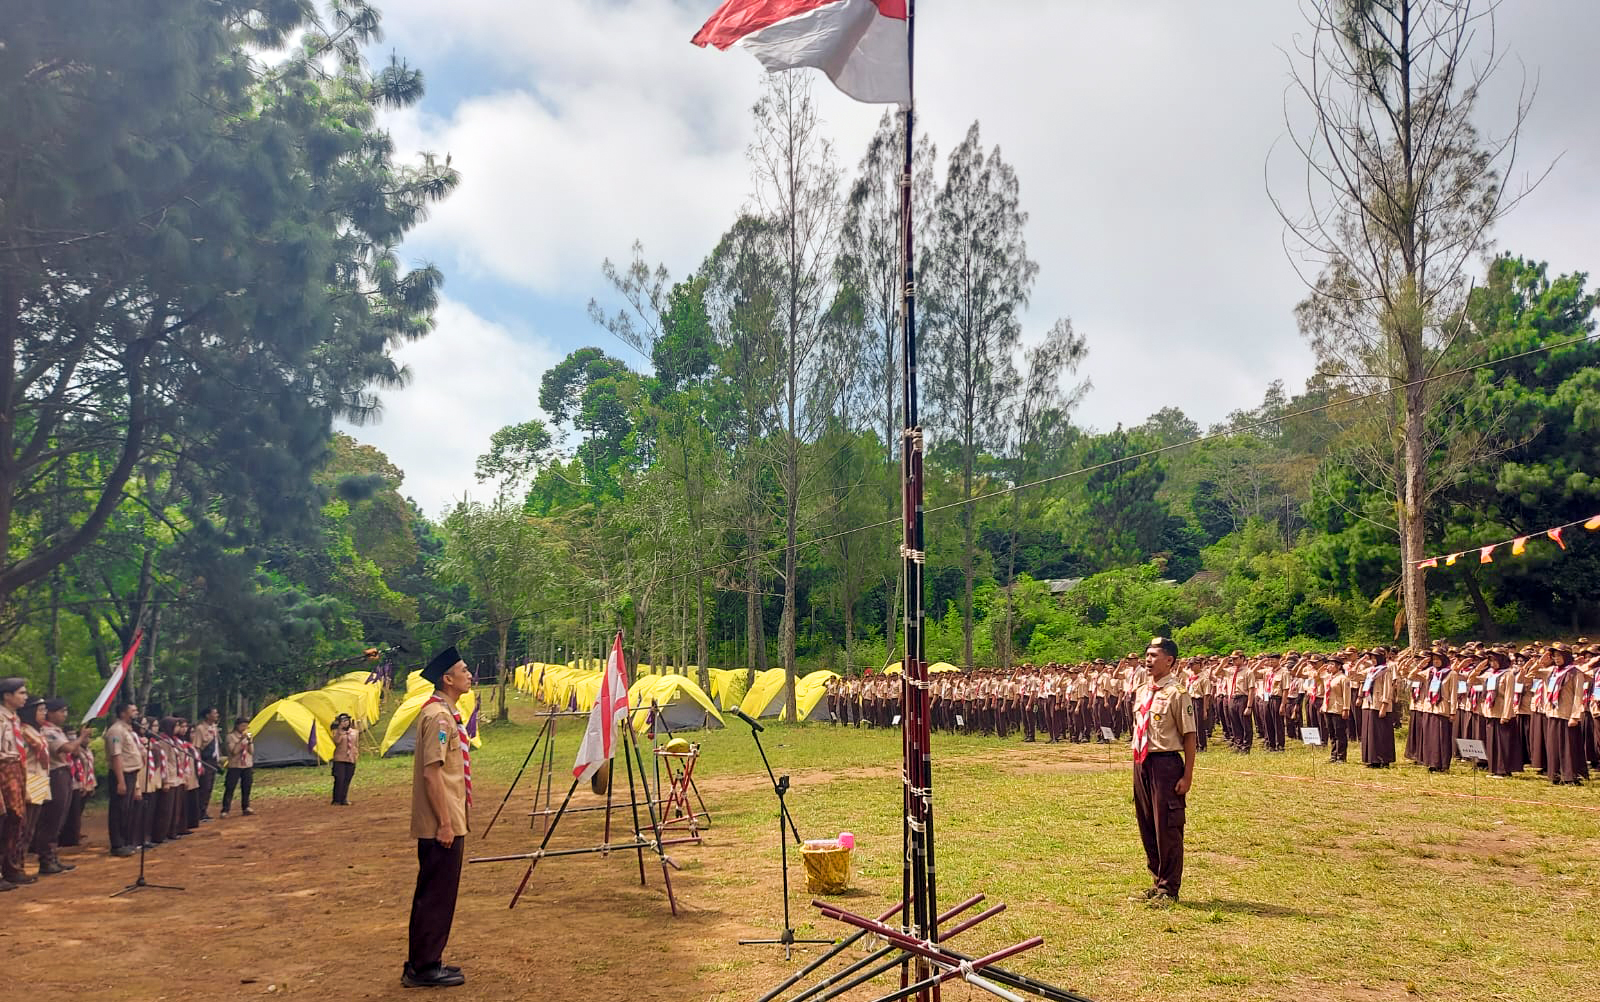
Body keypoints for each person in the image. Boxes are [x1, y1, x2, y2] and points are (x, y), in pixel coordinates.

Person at [404, 646, 473, 988]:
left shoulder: (445, 714)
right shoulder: (439, 718)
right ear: (448, 679)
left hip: (449, 818)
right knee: (435, 896)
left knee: (438, 895)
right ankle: (424, 967)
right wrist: (445, 823)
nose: (469, 675)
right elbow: (432, 774)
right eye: (464, 670)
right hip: (440, 824)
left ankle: (427, 960)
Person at [1129, 637, 1197, 908]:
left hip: (1166, 763)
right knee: (1147, 824)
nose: (1148, 660)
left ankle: (1169, 888)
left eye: (1154, 655)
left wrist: (1187, 775)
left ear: (1169, 660)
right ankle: (1157, 881)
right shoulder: (1142, 691)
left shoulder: (1178, 693)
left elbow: (1189, 735)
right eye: (1147, 655)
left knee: (1167, 826)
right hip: (1142, 761)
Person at [33, 699, 90, 873]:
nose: (64, 715)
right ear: (50, 713)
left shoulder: (58, 731)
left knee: (60, 818)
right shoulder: (47, 731)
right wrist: (81, 737)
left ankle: (52, 856)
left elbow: (76, 751)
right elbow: (69, 749)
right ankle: (46, 859)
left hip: (64, 772)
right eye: (61, 711)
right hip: (54, 774)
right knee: (51, 818)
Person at [1, 678, 32, 889]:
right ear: (7, 696)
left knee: (17, 819)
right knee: (5, 818)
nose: (25, 697)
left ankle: (11, 868)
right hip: (4, 769)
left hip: (17, 768)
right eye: (21, 693)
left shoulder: (15, 719)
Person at [104, 700, 145, 856]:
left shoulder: (127, 730)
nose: (136, 713)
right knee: (119, 809)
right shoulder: (116, 731)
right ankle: (117, 844)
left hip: (131, 774)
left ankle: (126, 841)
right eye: (133, 711)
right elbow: (116, 756)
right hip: (121, 775)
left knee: (127, 809)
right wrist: (120, 781)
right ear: (122, 713)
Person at [222, 717, 255, 816]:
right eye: (242, 726)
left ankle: (246, 807)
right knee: (230, 787)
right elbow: (234, 751)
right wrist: (241, 740)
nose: (244, 728)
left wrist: (249, 741)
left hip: (247, 764)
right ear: (237, 726)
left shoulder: (248, 735)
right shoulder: (230, 737)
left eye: (246, 726)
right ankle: (225, 809)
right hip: (235, 765)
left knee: (246, 786)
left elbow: (251, 751)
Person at [193, 708, 221, 821]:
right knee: (204, 787)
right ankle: (199, 812)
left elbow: (217, 745)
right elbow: (197, 747)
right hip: (205, 760)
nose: (217, 715)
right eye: (214, 713)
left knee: (209, 787)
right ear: (207, 715)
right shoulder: (200, 729)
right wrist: (199, 763)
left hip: (213, 760)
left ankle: (204, 810)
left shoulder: (214, 727)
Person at [331, 712, 359, 805]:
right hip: (340, 759)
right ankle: (336, 799)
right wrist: (340, 731)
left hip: (351, 758)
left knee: (347, 779)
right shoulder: (337, 732)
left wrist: (355, 755)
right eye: (343, 721)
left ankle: (344, 798)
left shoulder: (354, 732)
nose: (345, 722)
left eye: (347, 720)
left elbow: (355, 745)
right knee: (339, 779)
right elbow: (336, 742)